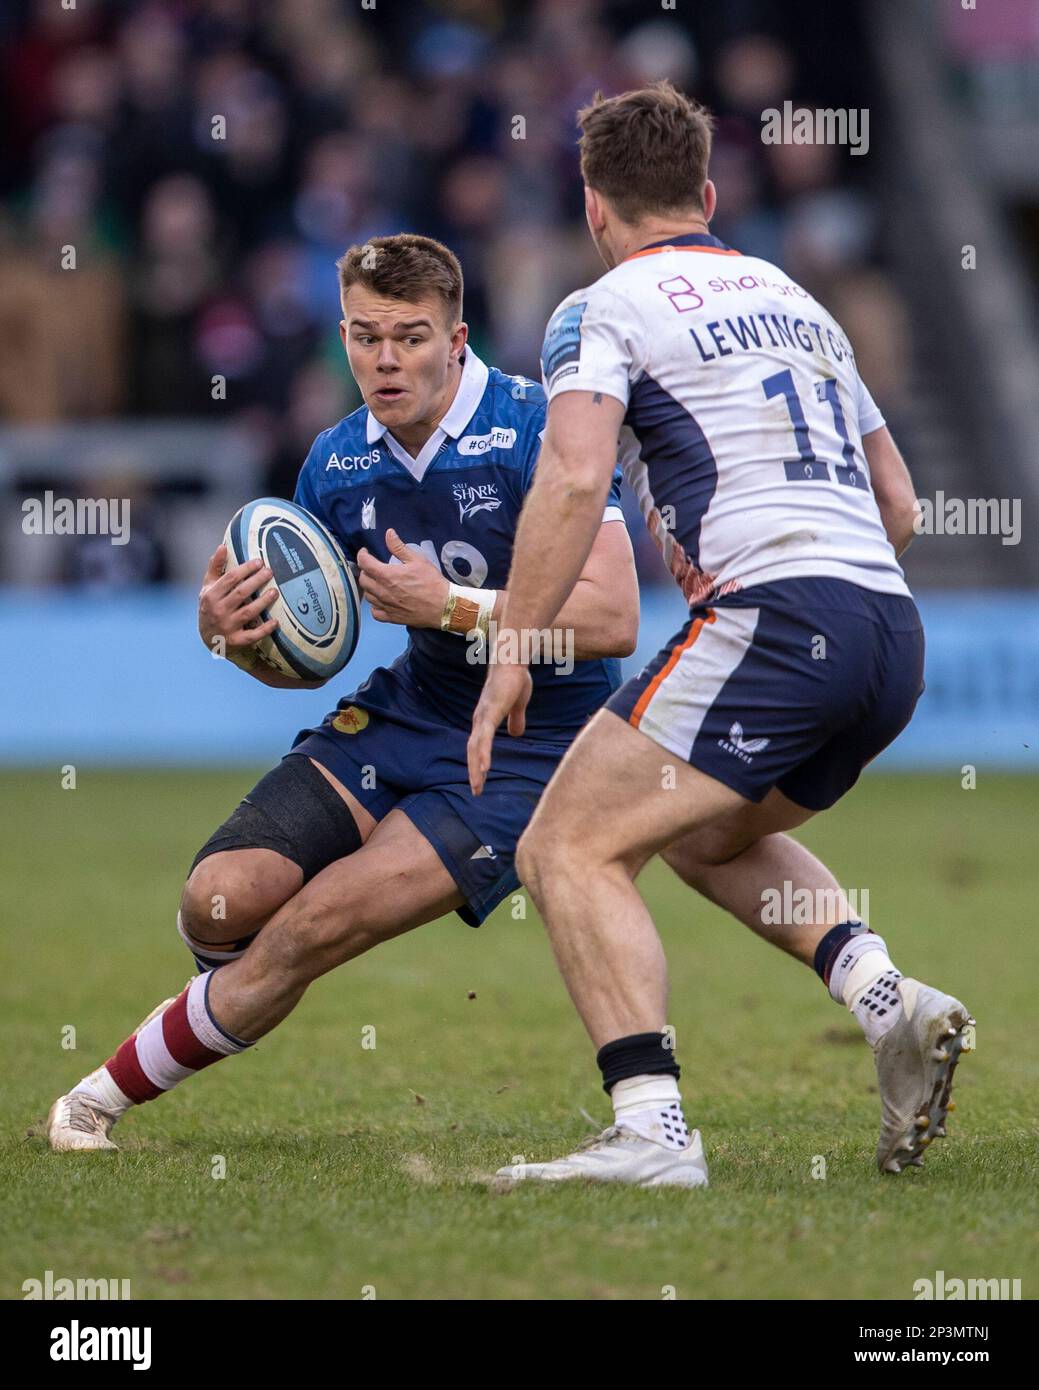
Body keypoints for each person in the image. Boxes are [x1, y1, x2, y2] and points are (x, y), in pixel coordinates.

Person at [468, 84, 973, 1188]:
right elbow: (899, 504)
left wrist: (511, 647)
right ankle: (886, 998)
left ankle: (651, 1132)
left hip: (774, 617)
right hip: (889, 629)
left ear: (593, 207)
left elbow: (572, 478)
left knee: (563, 848)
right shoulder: (798, 300)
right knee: (703, 835)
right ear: (705, 196)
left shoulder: (600, 307)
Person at [47, 233, 637, 1151]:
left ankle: (92, 1102)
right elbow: (303, 650)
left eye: (410, 337)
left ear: (456, 338)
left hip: (529, 748)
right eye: (365, 337)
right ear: (343, 338)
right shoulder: (335, 462)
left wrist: (449, 606)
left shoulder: (536, 428)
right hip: (409, 708)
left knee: (309, 927)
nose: (385, 360)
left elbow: (613, 618)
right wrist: (227, 633)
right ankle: (230, 998)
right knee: (219, 900)